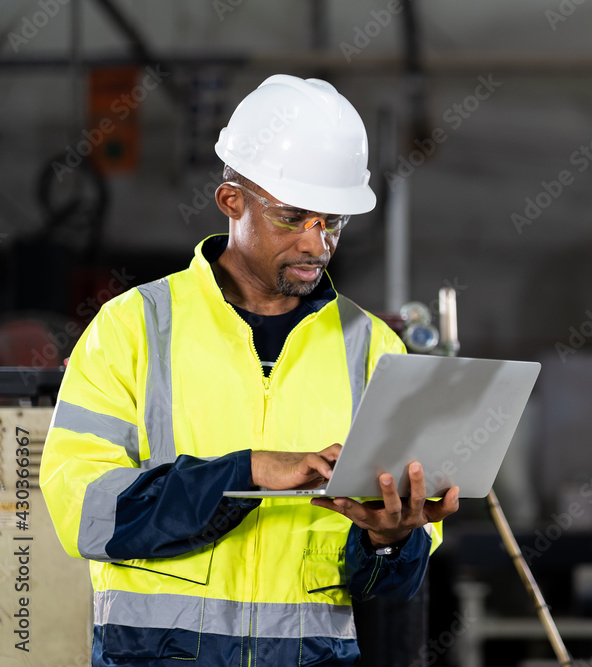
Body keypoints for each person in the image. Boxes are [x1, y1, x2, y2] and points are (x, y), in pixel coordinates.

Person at [39, 74, 459, 666]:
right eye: (294, 217)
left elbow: (388, 588)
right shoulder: (133, 327)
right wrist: (249, 473)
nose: (317, 244)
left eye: (332, 221)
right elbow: (86, 512)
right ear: (232, 201)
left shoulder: (372, 348)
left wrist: (391, 541)